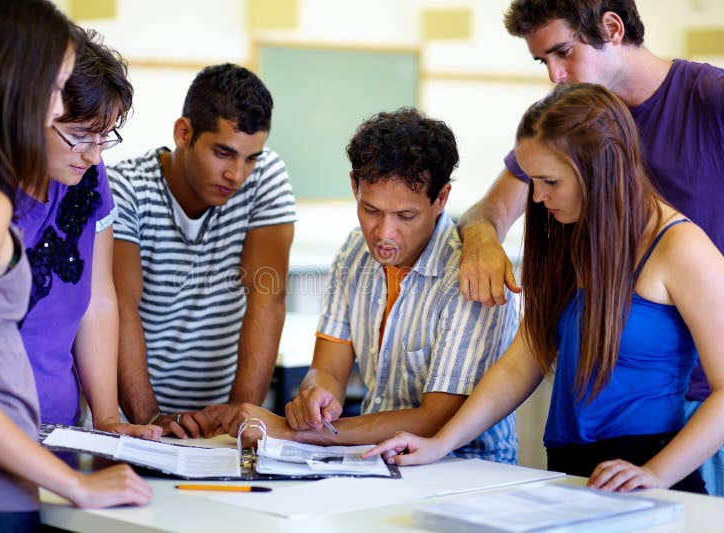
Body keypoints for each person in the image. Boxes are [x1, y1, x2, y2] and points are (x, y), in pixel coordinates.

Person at [367, 84, 724, 494]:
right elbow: (525, 358)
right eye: (533, 181)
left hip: (649, 473)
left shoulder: (680, 246)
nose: (537, 197)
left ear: (600, 169)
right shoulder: (575, 235)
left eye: (550, 181)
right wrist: (441, 443)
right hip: (570, 472)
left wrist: (657, 474)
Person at [456, 0, 724, 495]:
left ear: (612, 28)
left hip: (698, 404)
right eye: (543, 62)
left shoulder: (708, 97)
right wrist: (482, 238)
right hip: (591, 435)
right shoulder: (564, 135)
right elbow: (490, 210)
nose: (555, 75)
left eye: (563, 53)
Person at [0, 0, 151, 529]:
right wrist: (74, 484)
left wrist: (105, 419)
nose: (56, 108)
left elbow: (98, 299)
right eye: (53, 89)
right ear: (11, 86)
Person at [222, 108, 519, 463]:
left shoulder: (470, 275)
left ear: (441, 199)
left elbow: (435, 419)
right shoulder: (353, 253)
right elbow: (329, 368)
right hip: (375, 460)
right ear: (354, 186)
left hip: (466, 470)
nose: (383, 233)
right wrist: (318, 396)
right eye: (371, 210)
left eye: (405, 216)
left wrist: (296, 433)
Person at [109, 63, 296, 438]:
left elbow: (267, 297)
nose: (237, 175)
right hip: (127, 418)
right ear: (183, 133)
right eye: (223, 153)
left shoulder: (266, 177)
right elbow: (119, 306)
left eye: (251, 157)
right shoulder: (123, 187)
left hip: (217, 419)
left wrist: (238, 416)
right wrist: (150, 418)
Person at [16, 28, 159, 439]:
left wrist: (106, 417)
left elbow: (97, 300)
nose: (95, 155)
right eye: (80, 137)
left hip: (60, 428)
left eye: (105, 136)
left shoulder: (88, 176)